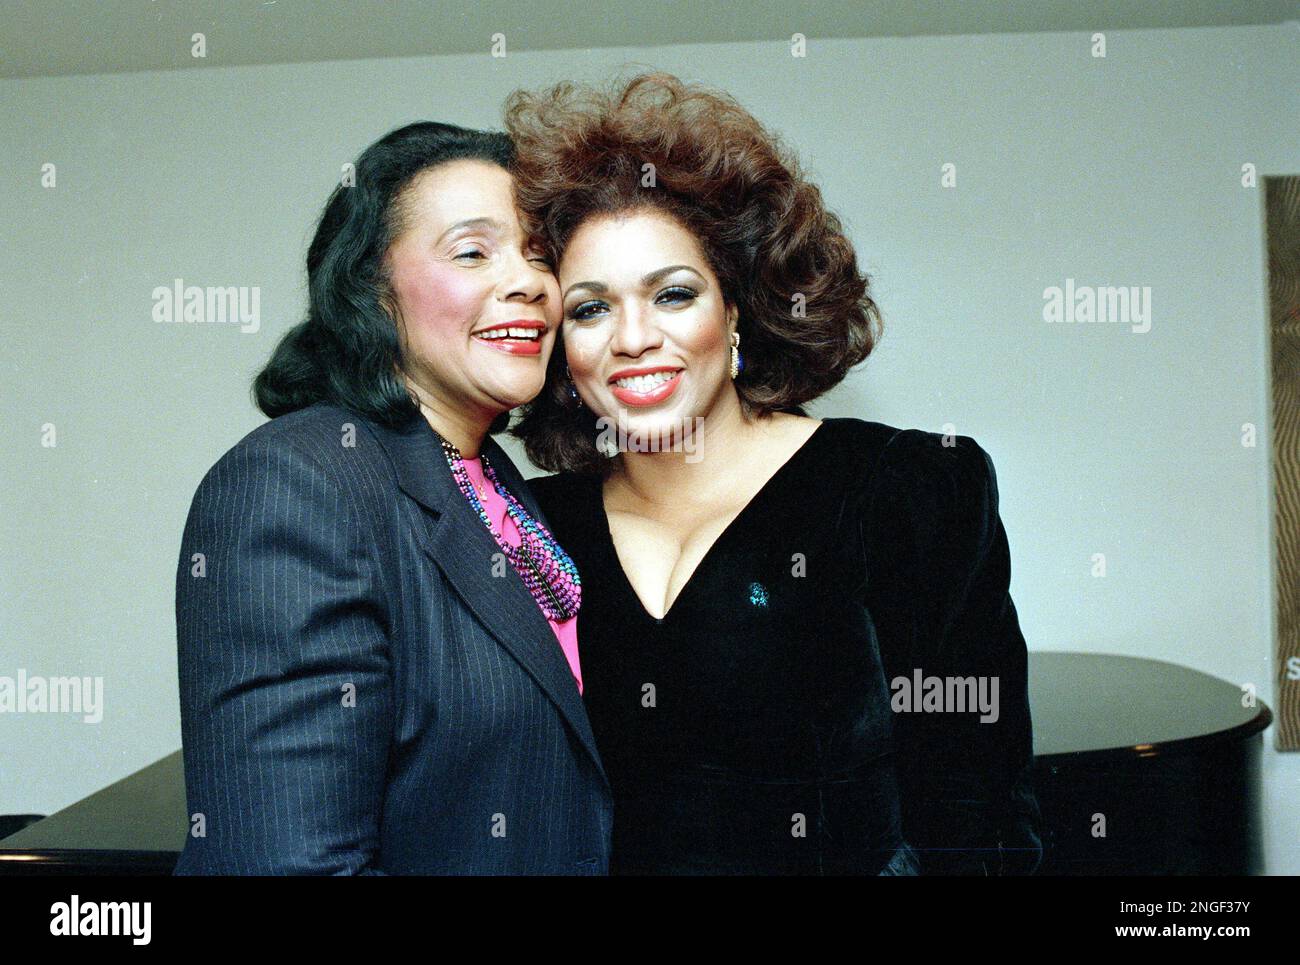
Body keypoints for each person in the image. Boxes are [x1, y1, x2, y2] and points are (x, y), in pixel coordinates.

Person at [504, 73, 1043, 875]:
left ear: (738, 314)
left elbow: (977, 822)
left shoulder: (905, 490)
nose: (633, 337)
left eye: (674, 294)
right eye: (590, 308)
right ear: (560, 349)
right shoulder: (530, 527)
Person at [173, 121, 611, 874]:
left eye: (539, 254)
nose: (529, 282)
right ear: (371, 290)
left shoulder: (492, 478)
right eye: (473, 251)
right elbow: (284, 865)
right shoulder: (299, 483)